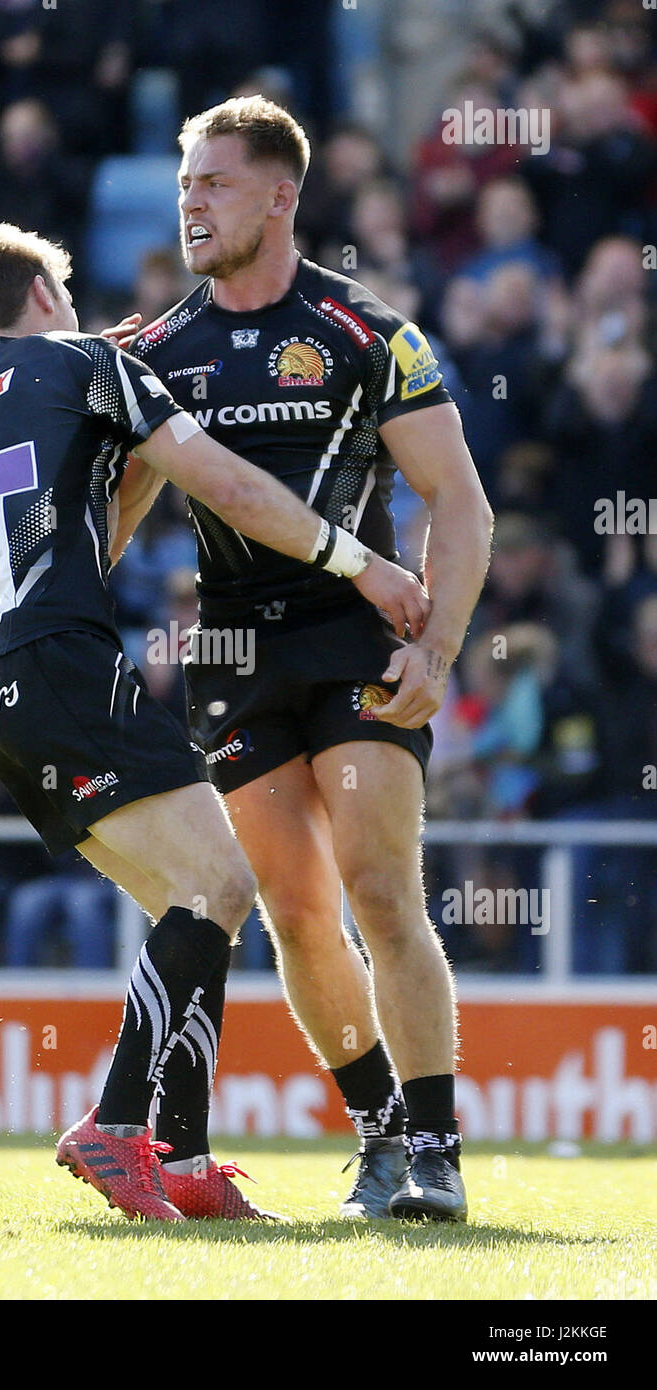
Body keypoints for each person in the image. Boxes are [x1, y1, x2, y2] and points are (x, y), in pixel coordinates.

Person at [0, 223, 429, 1222]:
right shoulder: (86, 362)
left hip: (2, 695)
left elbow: (58, 540)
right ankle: (115, 1122)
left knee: (197, 905)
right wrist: (357, 560)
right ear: (44, 297)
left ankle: (179, 1157)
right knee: (221, 883)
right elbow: (226, 485)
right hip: (67, 666)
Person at [117, 97, 493, 1222]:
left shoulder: (363, 330)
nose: (192, 201)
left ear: (281, 195)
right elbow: (112, 527)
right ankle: (377, 1131)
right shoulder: (155, 353)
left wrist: (436, 647)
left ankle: (435, 1150)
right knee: (291, 911)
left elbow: (458, 503)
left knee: (380, 888)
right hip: (232, 653)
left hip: (355, 639)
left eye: (215, 182)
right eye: (185, 183)